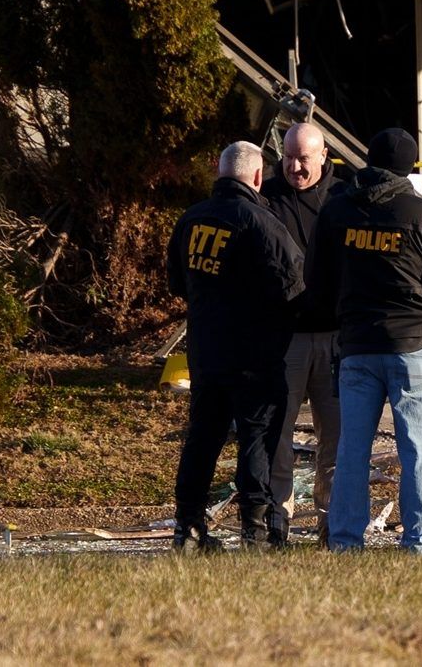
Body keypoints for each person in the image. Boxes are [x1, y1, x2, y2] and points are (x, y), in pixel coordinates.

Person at [314, 128, 422, 555]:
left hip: (357, 345)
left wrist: (342, 314)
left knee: (351, 452)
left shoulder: (337, 211)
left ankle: (345, 541)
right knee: (417, 450)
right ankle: (420, 542)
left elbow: (317, 279)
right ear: (411, 168)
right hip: (412, 345)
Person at [166, 141, 304, 552]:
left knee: (202, 439)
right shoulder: (262, 222)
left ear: (219, 172)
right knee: (257, 439)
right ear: (258, 177)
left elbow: (178, 283)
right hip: (254, 356)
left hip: (206, 353)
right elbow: (295, 290)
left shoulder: (192, 219)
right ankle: (256, 532)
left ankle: (188, 530)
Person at [261, 122, 347, 546]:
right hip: (286, 336)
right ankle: (279, 515)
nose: (295, 166)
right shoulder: (268, 198)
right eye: (289, 157)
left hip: (334, 335)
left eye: (304, 159)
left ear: (324, 154)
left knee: (335, 432)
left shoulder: (343, 199)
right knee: (279, 429)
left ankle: (330, 518)